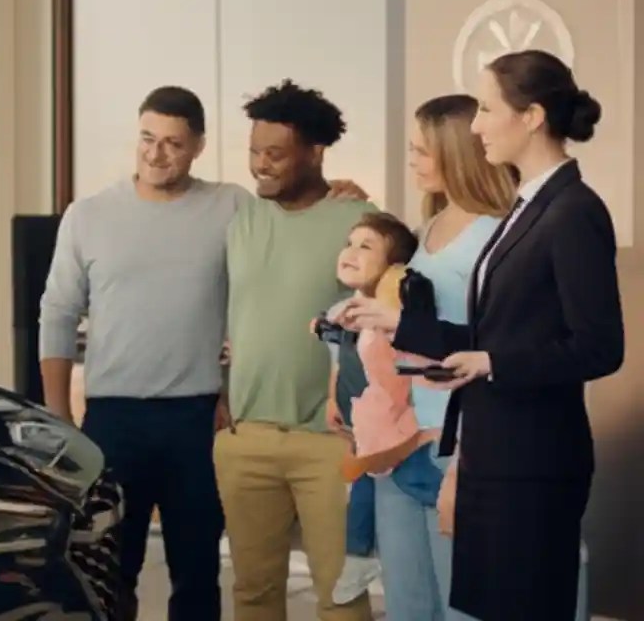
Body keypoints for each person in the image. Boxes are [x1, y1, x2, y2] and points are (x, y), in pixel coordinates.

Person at [38, 85, 368, 621]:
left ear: (198, 147)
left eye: (172, 142)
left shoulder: (232, 206)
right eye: (147, 138)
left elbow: (295, 215)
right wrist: (58, 417)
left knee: (198, 570)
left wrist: (342, 195)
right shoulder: (89, 215)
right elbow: (56, 314)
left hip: (200, 418)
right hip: (112, 418)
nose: (156, 153)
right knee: (109, 569)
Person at [403, 50, 624, 620]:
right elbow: (497, 332)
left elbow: (599, 346)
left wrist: (494, 362)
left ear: (531, 117)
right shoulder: (527, 207)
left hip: (533, 465)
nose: (474, 125)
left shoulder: (573, 210)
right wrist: (402, 329)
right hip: (497, 458)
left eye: (484, 108)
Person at [341, 94, 515, 620]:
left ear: (459, 156)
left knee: (460, 606)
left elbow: (491, 350)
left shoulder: (496, 235)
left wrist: (463, 465)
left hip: (458, 447)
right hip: (404, 440)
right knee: (408, 605)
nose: (412, 161)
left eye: (422, 151)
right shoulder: (428, 229)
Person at [214, 79, 378, 621]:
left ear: (315, 152)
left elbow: (388, 320)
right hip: (246, 436)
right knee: (253, 595)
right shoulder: (239, 217)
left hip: (330, 442)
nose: (261, 164)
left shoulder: (358, 222)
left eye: (276, 154)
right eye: (255, 152)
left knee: (342, 597)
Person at [315, 212, 444, 605]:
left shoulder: (396, 318)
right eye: (349, 243)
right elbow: (337, 350)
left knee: (414, 493)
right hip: (368, 431)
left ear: (394, 268)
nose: (351, 252)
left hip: (404, 436)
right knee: (366, 489)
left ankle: (359, 557)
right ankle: (358, 556)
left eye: (366, 246)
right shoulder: (347, 310)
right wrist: (334, 395)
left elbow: (416, 372)